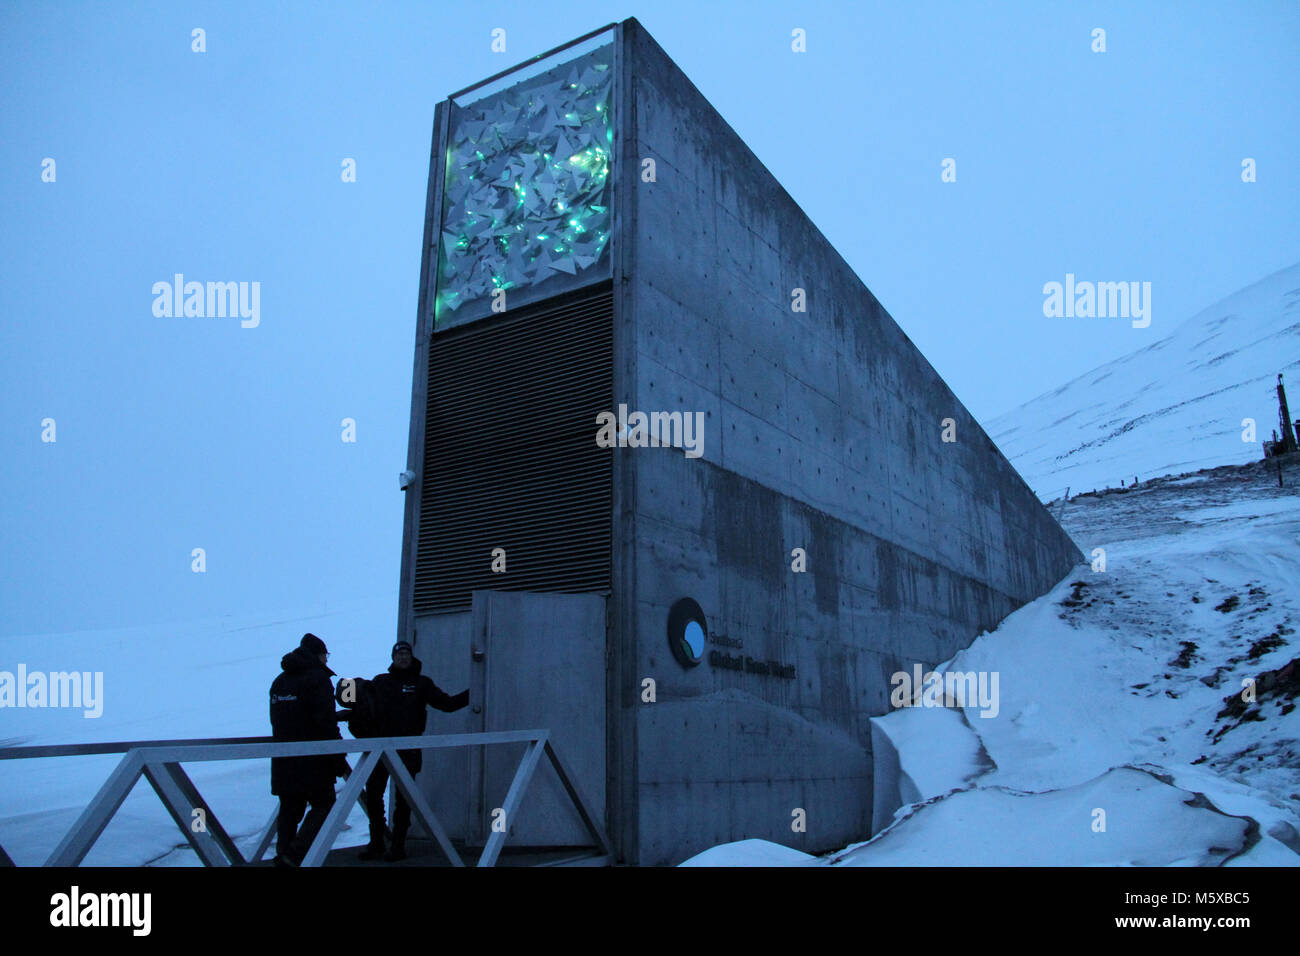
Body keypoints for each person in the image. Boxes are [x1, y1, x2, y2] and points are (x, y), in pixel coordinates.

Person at [350, 641, 468, 862]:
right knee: (374, 795)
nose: (403, 657)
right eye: (399, 654)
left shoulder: (421, 684)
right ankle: (376, 844)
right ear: (392, 657)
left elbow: (448, 704)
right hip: (380, 748)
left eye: (406, 653)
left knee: (404, 799)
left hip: (407, 749)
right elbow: (359, 702)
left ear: (411, 657)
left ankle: (397, 846)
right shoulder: (380, 681)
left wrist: (474, 692)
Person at [269, 633, 348, 867]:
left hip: (284, 757)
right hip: (314, 759)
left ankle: (283, 855)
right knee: (324, 804)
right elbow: (325, 722)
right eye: (326, 654)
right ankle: (295, 855)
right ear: (319, 654)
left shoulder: (280, 680)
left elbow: (278, 720)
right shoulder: (317, 679)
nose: (327, 659)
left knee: (290, 809)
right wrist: (337, 756)